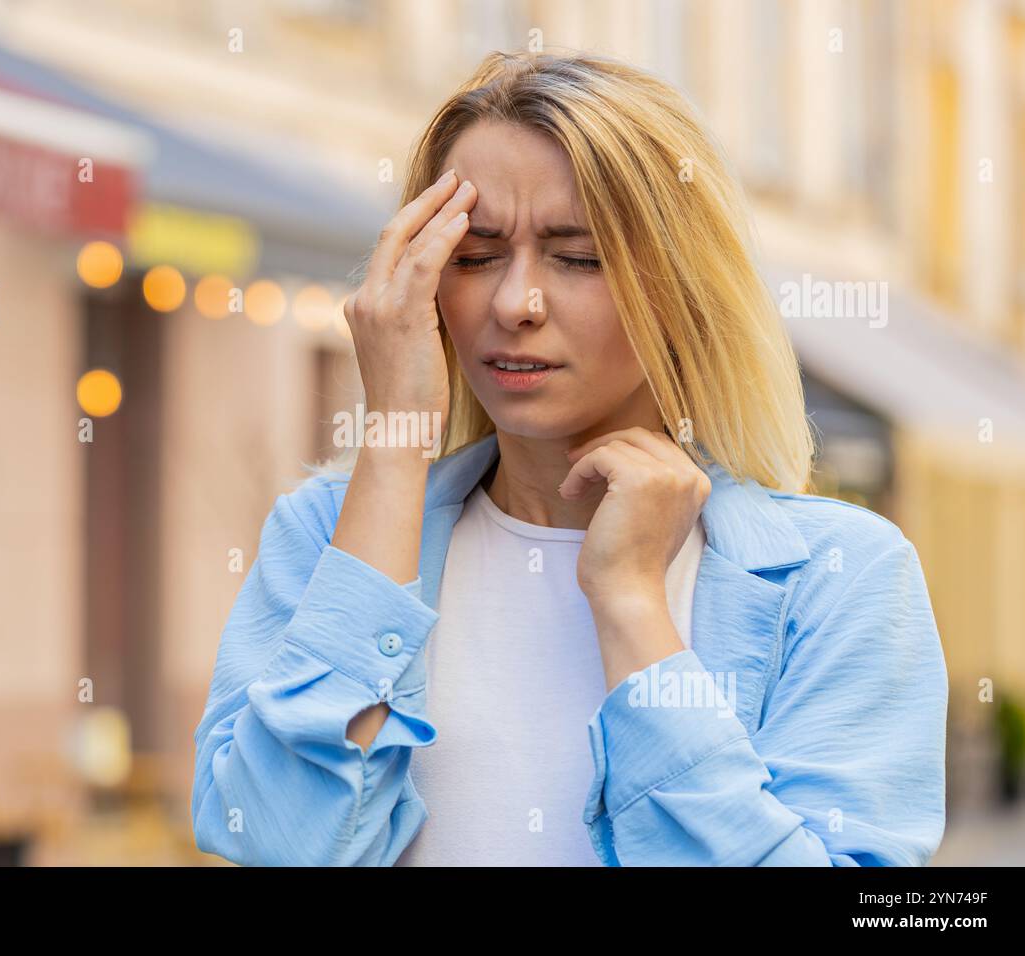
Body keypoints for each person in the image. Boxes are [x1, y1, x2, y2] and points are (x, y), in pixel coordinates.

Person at [191, 50, 948, 866]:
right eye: (475, 256)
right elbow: (272, 843)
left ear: (683, 287)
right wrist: (396, 438)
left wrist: (631, 606)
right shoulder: (322, 540)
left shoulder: (842, 578)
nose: (517, 303)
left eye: (578, 257)